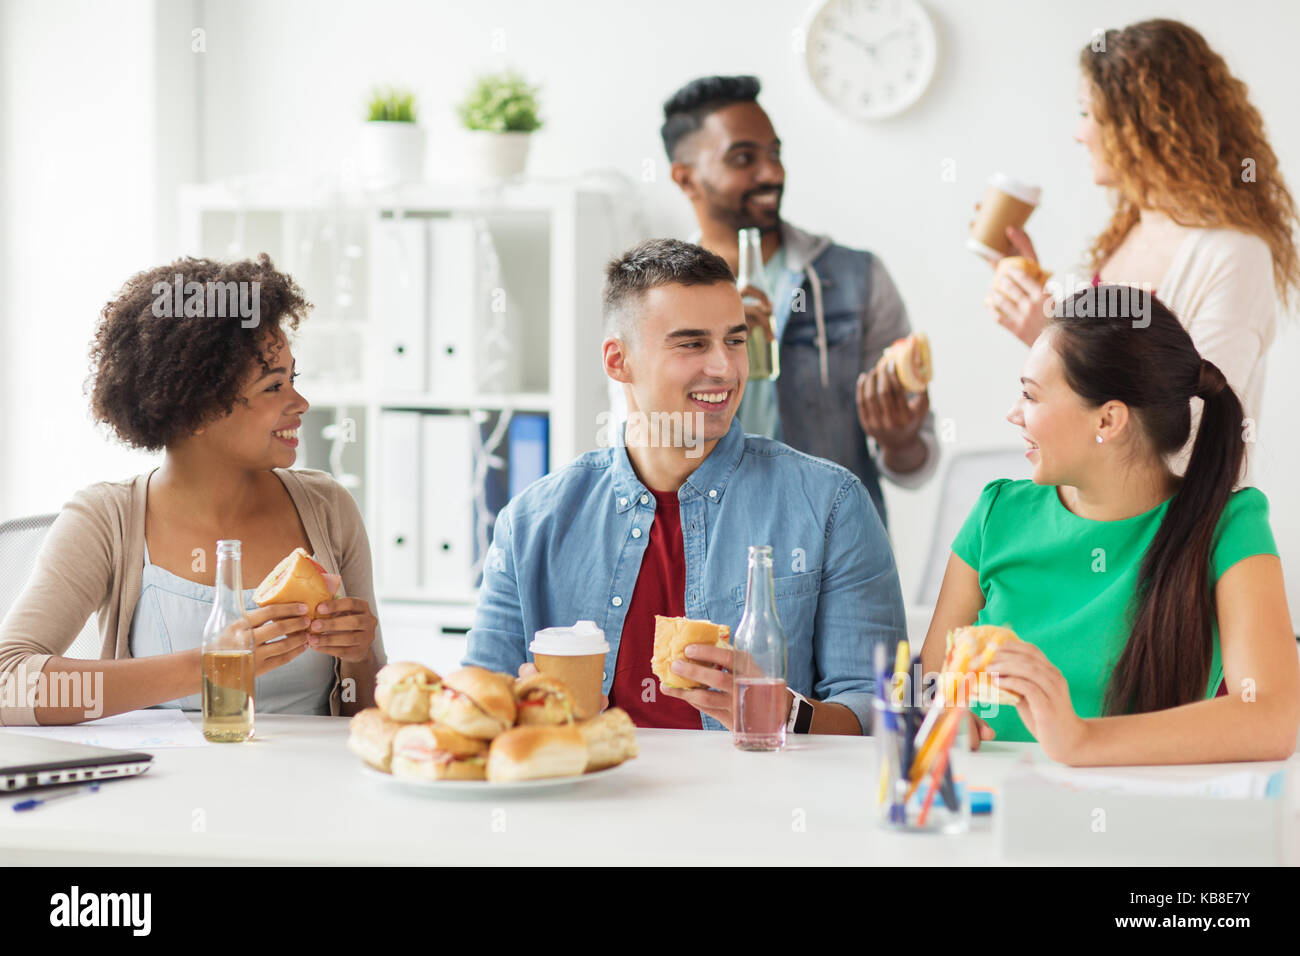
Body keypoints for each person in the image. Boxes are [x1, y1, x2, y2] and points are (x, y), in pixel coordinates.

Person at [464, 239, 906, 734]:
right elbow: (475, 701)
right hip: (590, 784)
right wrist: (517, 706)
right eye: (692, 344)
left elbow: (881, 711)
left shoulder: (831, 504)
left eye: (734, 341)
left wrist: (779, 712)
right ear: (618, 361)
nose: (724, 368)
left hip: (758, 786)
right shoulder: (529, 524)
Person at [0, 255, 384, 726]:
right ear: (198, 409)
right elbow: (8, 684)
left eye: (293, 379)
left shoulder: (328, 508)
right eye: (273, 387)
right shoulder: (105, 519)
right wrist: (210, 666)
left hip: (311, 774)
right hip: (161, 773)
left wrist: (359, 657)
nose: (300, 403)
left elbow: (367, 718)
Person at [922, 285, 1298, 765]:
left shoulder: (1228, 526)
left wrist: (1081, 740)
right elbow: (930, 684)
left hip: (1134, 806)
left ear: (1108, 421)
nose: (1013, 414)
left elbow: (1271, 716)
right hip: (981, 799)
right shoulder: (995, 513)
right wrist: (943, 714)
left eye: (1031, 395)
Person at [985, 19, 1299, 475]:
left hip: (1178, 518)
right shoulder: (1126, 232)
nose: (1078, 133)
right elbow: (1099, 395)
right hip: (1102, 509)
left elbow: (1193, 431)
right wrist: (1049, 320)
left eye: (1087, 113)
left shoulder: (1234, 254)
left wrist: (1049, 338)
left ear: (1143, 125)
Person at [661, 75, 938, 527]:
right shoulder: (658, 299)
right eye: (744, 158)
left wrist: (902, 441)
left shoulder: (857, 277)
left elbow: (915, 466)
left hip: (837, 549)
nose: (771, 174)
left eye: (774, 154)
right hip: (705, 544)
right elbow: (641, 451)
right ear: (685, 178)